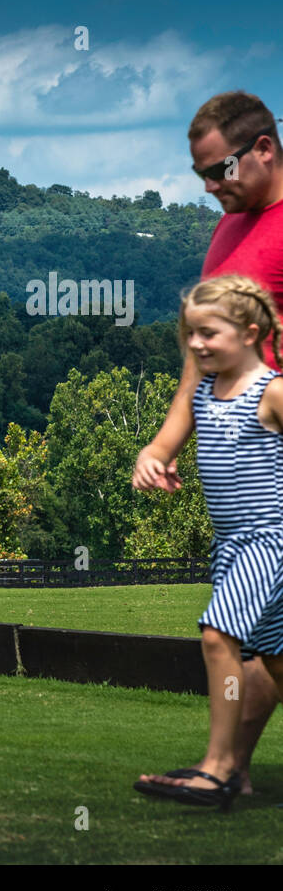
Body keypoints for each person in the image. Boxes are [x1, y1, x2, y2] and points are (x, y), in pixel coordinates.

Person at [133, 91, 283, 795]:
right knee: (274, 650)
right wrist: (162, 444)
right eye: (199, 174)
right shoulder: (226, 235)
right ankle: (232, 772)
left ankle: (219, 770)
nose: (210, 186)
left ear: (264, 150)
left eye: (219, 169)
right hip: (239, 490)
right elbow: (200, 360)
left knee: (225, 633)